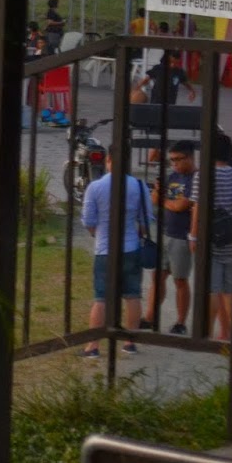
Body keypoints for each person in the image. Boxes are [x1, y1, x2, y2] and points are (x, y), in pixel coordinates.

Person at [81, 167, 152, 358]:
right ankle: (130, 342)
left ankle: (93, 345)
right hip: (131, 246)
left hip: (105, 248)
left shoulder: (95, 186)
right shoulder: (139, 185)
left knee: (101, 297)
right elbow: (146, 220)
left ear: (108, 159)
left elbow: (88, 220)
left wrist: (95, 233)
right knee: (132, 294)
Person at [141, 140, 197, 335]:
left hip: (182, 236)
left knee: (180, 279)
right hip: (165, 233)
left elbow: (182, 206)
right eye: (171, 160)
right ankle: (149, 317)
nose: (174, 164)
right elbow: (155, 200)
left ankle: (181, 322)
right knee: (157, 276)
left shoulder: (195, 179)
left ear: (190, 157)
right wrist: (158, 192)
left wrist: (164, 200)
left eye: (177, 160)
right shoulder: (172, 177)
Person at [190, 131, 232, 341]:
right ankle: (231, 333)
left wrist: (193, 235)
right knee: (230, 289)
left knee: (211, 288)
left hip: (210, 236)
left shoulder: (203, 175)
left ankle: (206, 331)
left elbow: (198, 207)